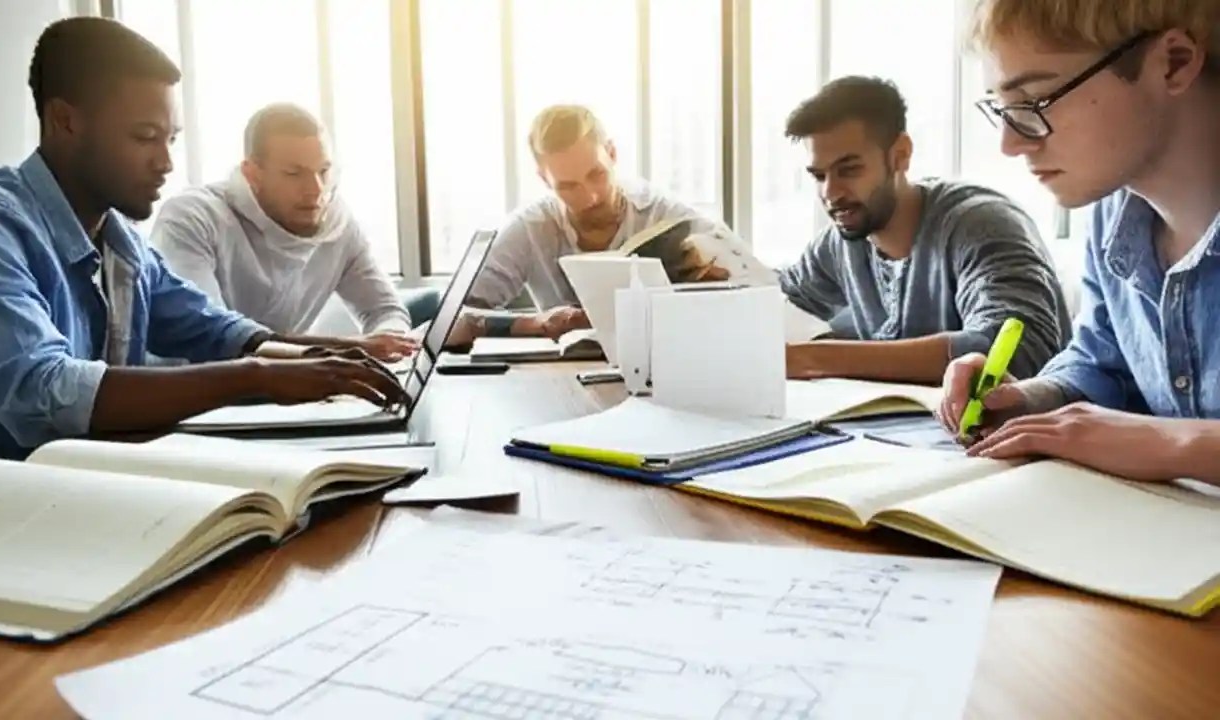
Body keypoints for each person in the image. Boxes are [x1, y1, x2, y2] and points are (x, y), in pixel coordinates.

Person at [0, 18, 405, 462]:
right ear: (65, 121)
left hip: (82, 495)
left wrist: (328, 360)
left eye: (171, 139)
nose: (165, 162)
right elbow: (42, 390)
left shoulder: (122, 243)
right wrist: (260, 376)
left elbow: (216, 330)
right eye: (145, 137)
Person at [936, 0, 1220, 484]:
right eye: (1002, 108)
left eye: (1036, 101)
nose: (1011, 142)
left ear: (1172, 63)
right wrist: (1031, 403)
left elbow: (1141, 434)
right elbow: (1102, 363)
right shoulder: (1114, 214)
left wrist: (1171, 443)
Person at [777, 76, 1072, 384]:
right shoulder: (840, 242)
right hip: (902, 429)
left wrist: (815, 357)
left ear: (900, 155)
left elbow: (1015, 351)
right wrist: (729, 280)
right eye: (818, 176)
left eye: (849, 170)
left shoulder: (980, 224)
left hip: (1017, 427)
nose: (831, 193)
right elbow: (779, 297)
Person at [448, 104, 754, 346]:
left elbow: (754, 293)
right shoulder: (530, 226)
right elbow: (448, 323)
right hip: (559, 382)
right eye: (568, 186)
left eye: (597, 174)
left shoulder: (667, 215)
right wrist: (535, 323)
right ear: (544, 178)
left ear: (611, 153)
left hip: (664, 376)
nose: (590, 197)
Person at [151, 102, 433, 363]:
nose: (315, 190)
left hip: (287, 385)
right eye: (293, 173)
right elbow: (211, 336)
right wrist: (346, 349)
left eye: (323, 171)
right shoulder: (192, 218)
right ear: (252, 174)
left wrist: (388, 349)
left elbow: (384, 311)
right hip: (196, 399)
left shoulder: (338, 221)